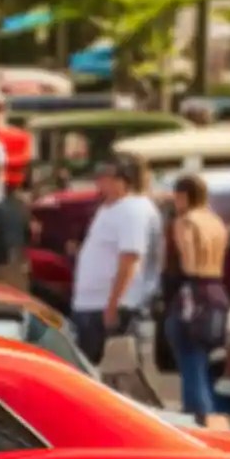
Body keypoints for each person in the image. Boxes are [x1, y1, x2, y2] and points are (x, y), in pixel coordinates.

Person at [71, 155, 165, 364]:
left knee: (112, 372)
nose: (100, 182)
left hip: (110, 305)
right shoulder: (110, 207)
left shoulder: (133, 209)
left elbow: (130, 259)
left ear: (124, 181)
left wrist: (113, 305)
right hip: (92, 304)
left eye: (107, 177)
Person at [164, 175, 230, 425]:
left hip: (194, 290)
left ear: (184, 196)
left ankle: (198, 421)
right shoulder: (216, 221)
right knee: (205, 361)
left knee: (190, 361)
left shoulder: (186, 222)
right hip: (217, 289)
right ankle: (211, 415)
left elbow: (189, 263)